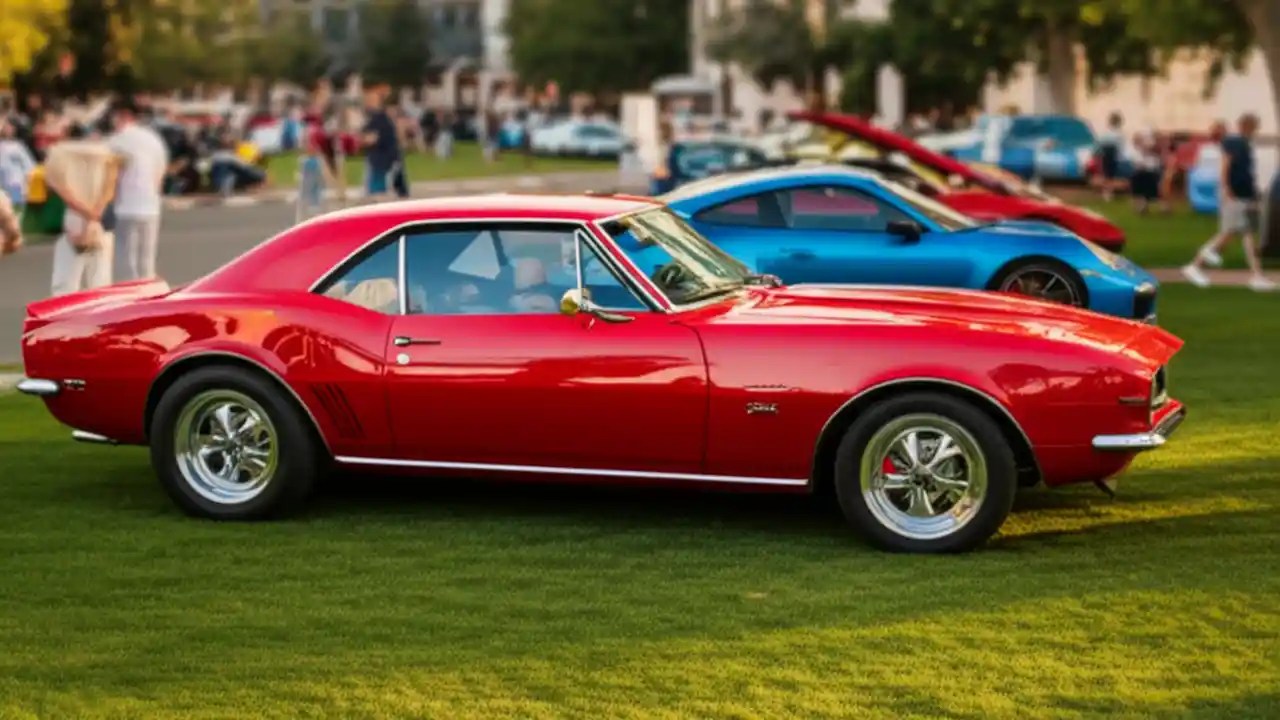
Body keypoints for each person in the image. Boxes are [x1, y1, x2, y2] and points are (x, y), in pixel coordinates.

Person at [1182, 113, 1275, 292]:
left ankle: (1257, 275)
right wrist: (1226, 188)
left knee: (1245, 235)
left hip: (1244, 195)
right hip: (1235, 195)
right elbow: (1226, 165)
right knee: (1229, 233)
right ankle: (1195, 265)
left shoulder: (1244, 144)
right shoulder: (1234, 143)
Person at [44, 139, 120, 295]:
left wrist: (85, 213)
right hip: (101, 218)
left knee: (66, 276)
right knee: (100, 276)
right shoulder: (107, 154)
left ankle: (65, 307)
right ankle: (99, 306)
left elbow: (62, 190)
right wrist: (96, 214)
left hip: (74, 215)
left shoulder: (59, 154)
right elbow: (110, 187)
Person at [107, 97, 169, 282]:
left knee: (126, 257)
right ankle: (148, 285)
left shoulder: (116, 140)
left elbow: (108, 171)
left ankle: (131, 289)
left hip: (126, 205)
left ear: (124, 116)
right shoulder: (152, 139)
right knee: (147, 257)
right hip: (150, 205)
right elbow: (160, 170)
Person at [360, 89, 400, 201]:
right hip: (383, 160)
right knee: (377, 190)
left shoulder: (379, 119)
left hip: (381, 161)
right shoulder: (383, 119)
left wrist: (359, 140)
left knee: (377, 192)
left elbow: (371, 138)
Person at [0, 116, 37, 215]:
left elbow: (29, 166)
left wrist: (28, 181)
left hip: (15, 185)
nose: (6, 128)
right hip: (2, 185)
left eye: (9, 126)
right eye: (5, 126)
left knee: (16, 209)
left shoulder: (18, 146)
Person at [1129, 127, 1166, 214]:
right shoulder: (1137, 152)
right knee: (1137, 178)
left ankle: (1161, 206)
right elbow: (1137, 164)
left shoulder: (1154, 150)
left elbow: (1157, 162)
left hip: (1153, 171)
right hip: (1143, 171)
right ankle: (1143, 205)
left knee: (1150, 181)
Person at [1095, 112, 1125, 201]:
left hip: (1105, 154)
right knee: (1110, 175)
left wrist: (1098, 153)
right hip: (1112, 154)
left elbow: (1099, 144)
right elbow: (1120, 146)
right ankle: (1108, 192)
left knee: (1106, 174)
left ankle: (1107, 192)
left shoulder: (1106, 132)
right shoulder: (1118, 134)